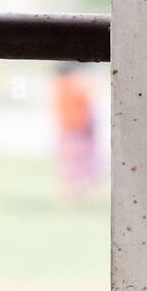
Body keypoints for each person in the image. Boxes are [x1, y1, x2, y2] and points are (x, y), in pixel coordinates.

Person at [51, 63, 98, 200]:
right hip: (77, 132)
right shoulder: (71, 86)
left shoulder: (57, 86)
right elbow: (88, 98)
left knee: (69, 165)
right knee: (78, 165)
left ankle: (71, 194)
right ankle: (73, 194)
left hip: (67, 131)